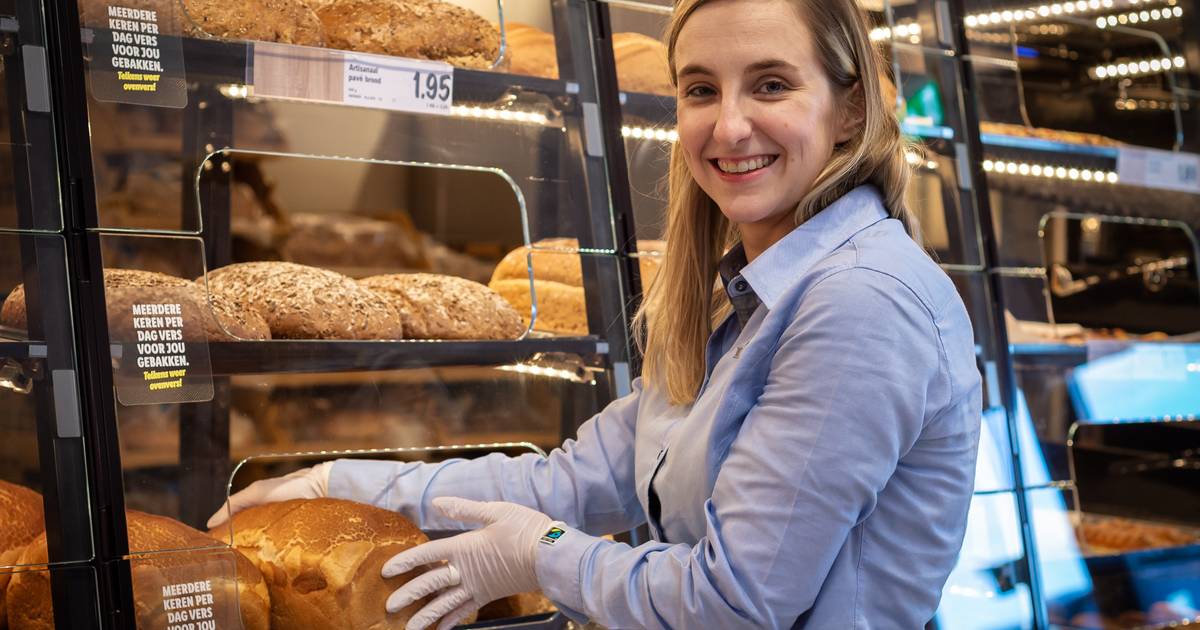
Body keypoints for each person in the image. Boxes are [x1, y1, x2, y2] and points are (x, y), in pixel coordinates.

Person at [208, 0, 982, 627]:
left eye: (772, 85)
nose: (728, 126)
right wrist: (338, 485)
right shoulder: (745, 299)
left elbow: (736, 602)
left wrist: (537, 556)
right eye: (700, 89)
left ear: (851, 108)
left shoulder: (859, 302)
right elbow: (572, 481)